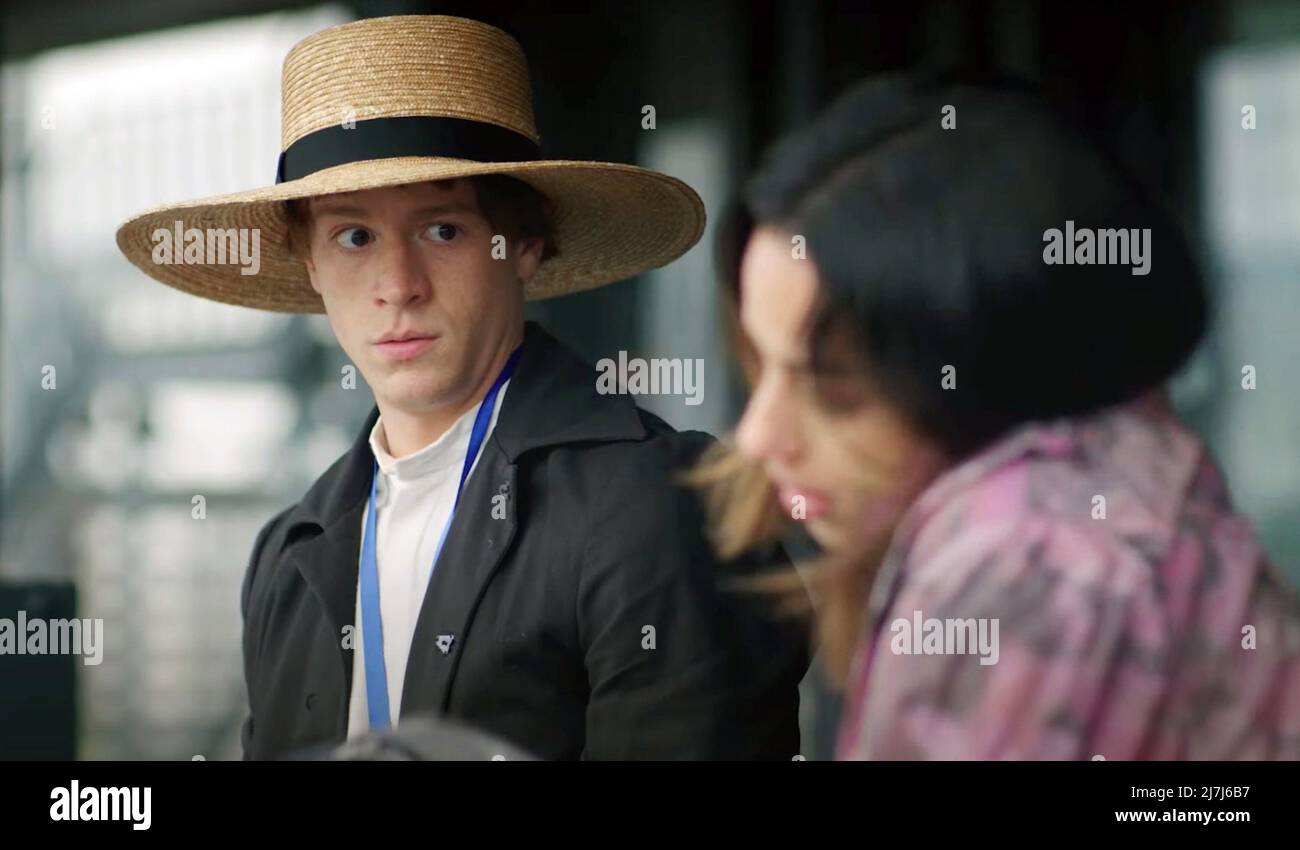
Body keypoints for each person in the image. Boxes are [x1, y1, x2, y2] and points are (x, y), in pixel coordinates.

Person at [116, 14, 807, 760]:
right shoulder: (289, 553)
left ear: (526, 243)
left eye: (443, 229)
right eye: (354, 237)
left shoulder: (663, 503)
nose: (399, 287)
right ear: (309, 263)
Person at [693, 73, 1300, 759]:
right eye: (758, 364)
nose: (759, 436)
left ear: (990, 367)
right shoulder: (1126, 481)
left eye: (835, 388)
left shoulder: (1032, 566)